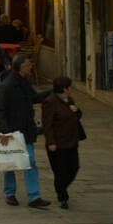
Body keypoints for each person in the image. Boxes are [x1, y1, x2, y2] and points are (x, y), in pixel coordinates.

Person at [0, 54, 52, 208]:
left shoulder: (25, 82)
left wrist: (52, 91)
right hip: (11, 131)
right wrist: (6, 132)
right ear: (20, 67)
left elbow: (34, 98)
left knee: (30, 162)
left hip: (26, 129)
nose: (30, 67)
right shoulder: (7, 86)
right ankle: (10, 193)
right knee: (10, 164)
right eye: (27, 65)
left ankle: (34, 196)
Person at [41, 76, 84, 209]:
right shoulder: (50, 102)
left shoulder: (69, 100)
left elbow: (77, 116)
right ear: (65, 89)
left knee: (74, 167)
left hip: (71, 141)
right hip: (58, 144)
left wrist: (76, 111)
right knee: (60, 171)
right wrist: (51, 142)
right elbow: (47, 124)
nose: (71, 90)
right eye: (69, 87)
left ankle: (61, 187)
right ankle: (62, 196)